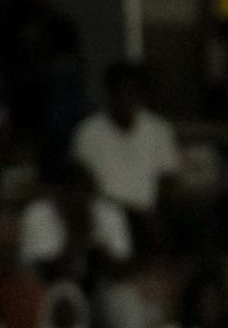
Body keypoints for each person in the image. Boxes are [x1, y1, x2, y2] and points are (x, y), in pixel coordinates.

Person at [72, 63, 182, 219]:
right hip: (106, 218)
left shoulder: (159, 129)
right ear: (110, 94)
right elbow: (80, 183)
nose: (125, 99)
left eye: (132, 93)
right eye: (120, 92)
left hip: (148, 216)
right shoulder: (87, 132)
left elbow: (168, 179)